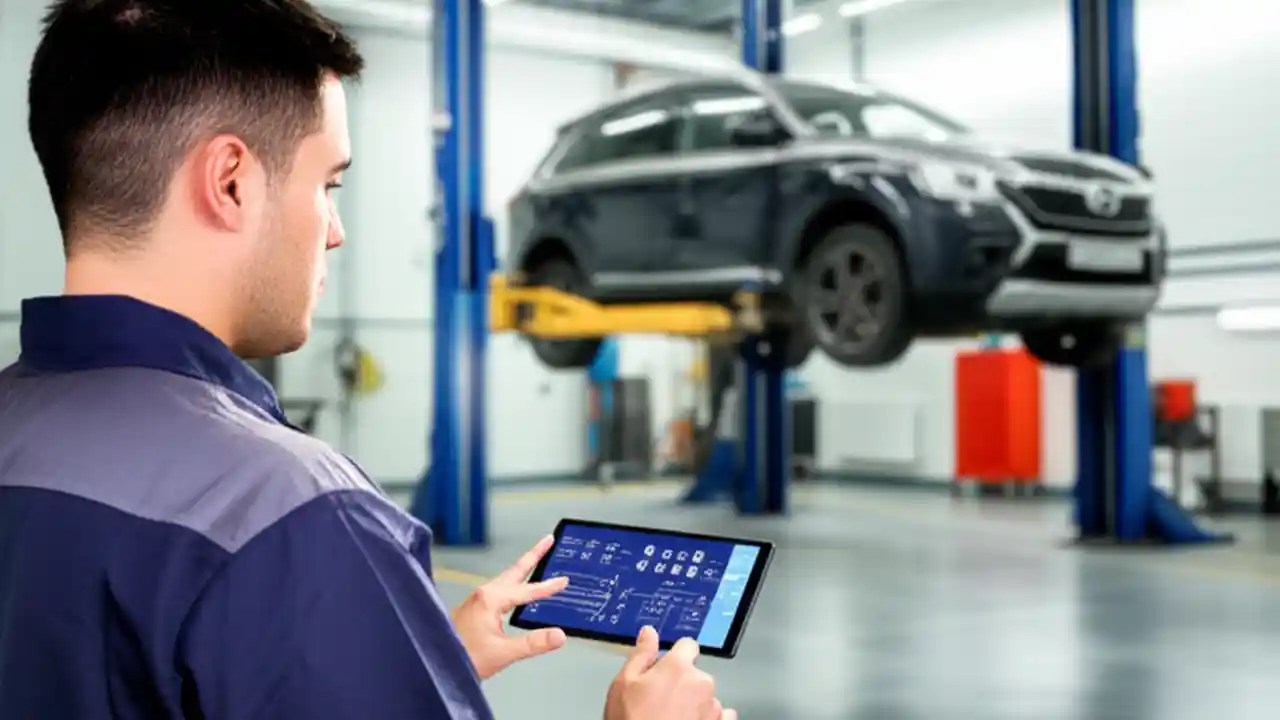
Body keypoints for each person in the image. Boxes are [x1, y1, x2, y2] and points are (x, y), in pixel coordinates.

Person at [0, 1, 736, 718]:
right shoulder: (292, 512)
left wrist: (402, 663)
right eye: (329, 184)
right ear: (230, 182)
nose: (335, 230)